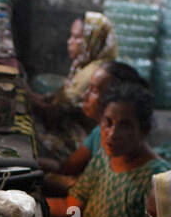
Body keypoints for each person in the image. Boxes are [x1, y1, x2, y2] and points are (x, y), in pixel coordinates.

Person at [50, 81, 170, 217]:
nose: (112, 133)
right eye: (108, 123)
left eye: (124, 125)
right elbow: (76, 201)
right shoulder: (107, 156)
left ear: (144, 130)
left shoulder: (157, 178)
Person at [38, 60, 146, 196]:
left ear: (114, 97)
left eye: (94, 91)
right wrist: (25, 163)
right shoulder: (98, 133)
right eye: (88, 88)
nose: (85, 96)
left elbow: (89, 197)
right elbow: (66, 167)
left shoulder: (122, 145)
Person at [29, 12, 118, 161]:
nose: (70, 42)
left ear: (92, 40)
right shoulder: (84, 66)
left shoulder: (95, 73)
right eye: (71, 36)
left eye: (77, 38)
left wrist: (25, 96)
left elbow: (58, 108)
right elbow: (57, 99)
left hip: (82, 142)